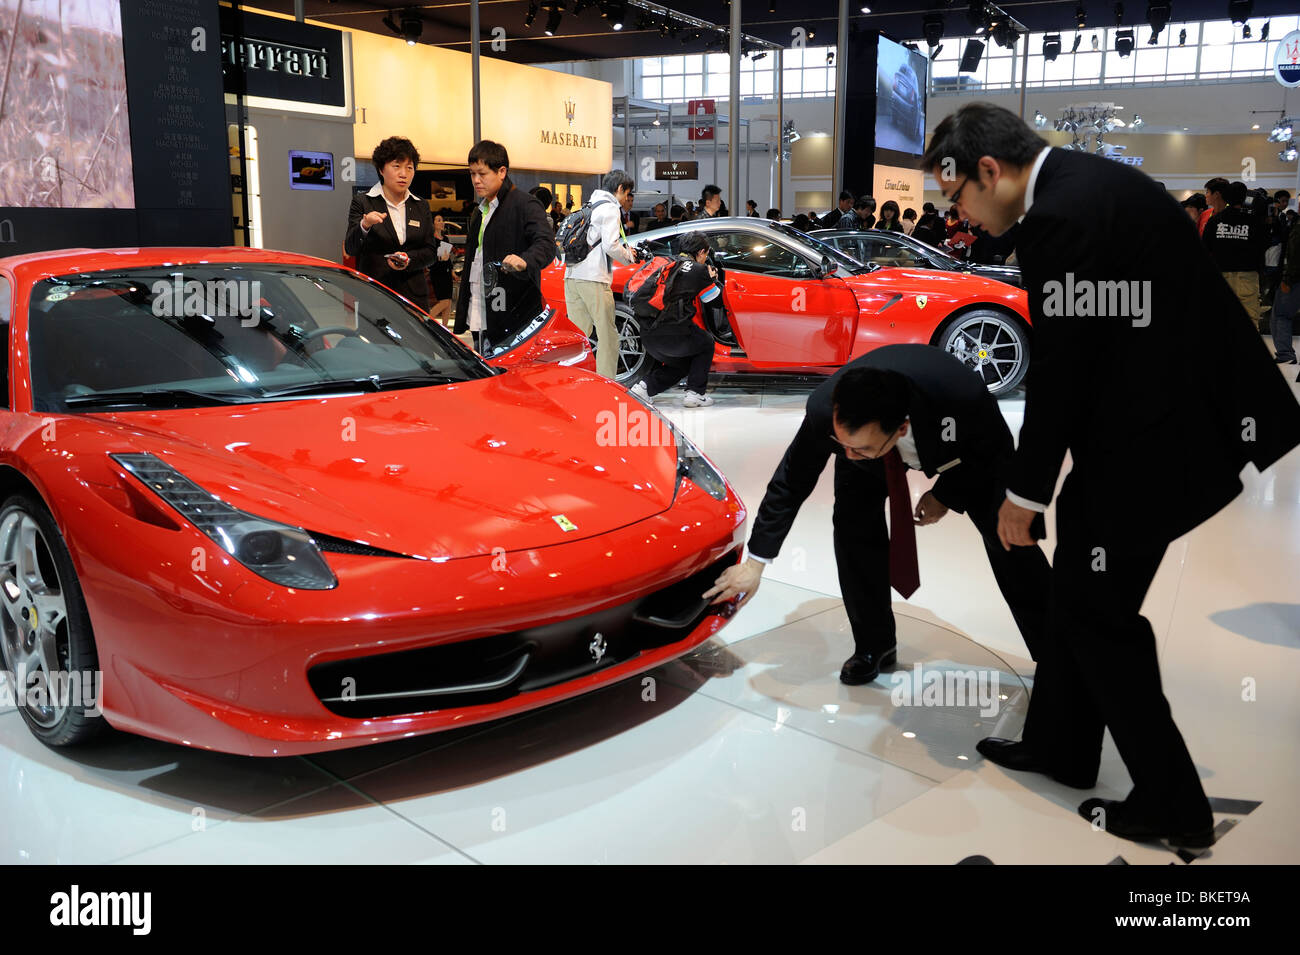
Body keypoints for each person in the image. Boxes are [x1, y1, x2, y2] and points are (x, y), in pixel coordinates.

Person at [921, 102, 1300, 848]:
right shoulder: (1087, 183)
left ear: (989, 172)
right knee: (1076, 599)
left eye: (956, 197)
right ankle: (1061, 747)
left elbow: (1065, 369)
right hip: (1148, 426)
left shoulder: (1059, 218)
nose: (958, 216)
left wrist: (1023, 495)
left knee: (1098, 615)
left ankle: (1174, 804)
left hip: (1157, 442)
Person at [705, 344, 1053, 684]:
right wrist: (755, 563)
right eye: (844, 445)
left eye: (861, 448)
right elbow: (791, 482)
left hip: (965, 453)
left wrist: (945, 494)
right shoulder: (828, 415)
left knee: (1011, 544)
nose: (849, 455)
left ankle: (1057, 653)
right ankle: (874, 646)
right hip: (877, 436)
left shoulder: (959, 398)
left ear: (901, 428)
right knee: (854, 532)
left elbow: (993, 454)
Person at [453, 140, 556, 350]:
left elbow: (546, 244)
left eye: (482, 174)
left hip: (513, 310)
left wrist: (525, 260)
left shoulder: (525, 204)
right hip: (480, 303)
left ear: (501, 171)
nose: (476, 180)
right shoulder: (480, 210)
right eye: (472, 174)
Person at [344, 136, 437, 310]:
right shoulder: (363, 202)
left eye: (409, 168)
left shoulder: (420, 205)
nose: (404, 174)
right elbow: (350, 248)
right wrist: (365, 225)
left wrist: (409, 260)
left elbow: (431, 252)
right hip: (375, 295)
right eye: (397, 166)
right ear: (381, 169)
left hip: (414, 298)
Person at [631, 232, 721, 408]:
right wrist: (712, 280)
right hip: (674, 335)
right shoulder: (698, 270)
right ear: (701, 252)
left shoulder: (661, 262)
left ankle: (644, 387)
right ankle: (695, 394)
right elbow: (714, 301)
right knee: (706, 343)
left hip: (648, 337)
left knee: (684, 365)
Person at [563, 169, 638, 379]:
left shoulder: (587, 206)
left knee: (579, 335)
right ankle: (607, 382)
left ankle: (574, 379)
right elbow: (611, 246)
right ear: (620, 189)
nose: (625, 199)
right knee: (608, 335)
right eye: (626, 194)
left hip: (571, 277)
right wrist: (629, 257)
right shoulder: (610, 209)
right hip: (594, 279)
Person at [1203, 181, 1266, 329]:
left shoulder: (1215, 220)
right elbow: (1262, 245)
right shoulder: (1253, 221)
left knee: (1220, 320)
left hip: (1221, 275)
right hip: (1247, 276)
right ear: (1244, 197)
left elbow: (1205, 248)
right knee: (1249, 321)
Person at [1272, 202, 1300, 364]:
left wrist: (1287, 279)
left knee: (1281, 315)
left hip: (1294, 279)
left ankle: (1285, 353)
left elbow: (1294, 255)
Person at [427, 213, 454, 324]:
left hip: (446, 273)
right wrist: (439, 258)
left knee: (448, 302)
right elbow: (431, 259)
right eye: (438, 220)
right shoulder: (431, 240)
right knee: (445, 302)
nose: (442, 222)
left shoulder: (445, 239)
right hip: (437, 273)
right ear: (433, 224)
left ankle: (445, 329)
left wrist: (452, 271)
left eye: (442, 220)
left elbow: (446, 259)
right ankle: (427, 321)